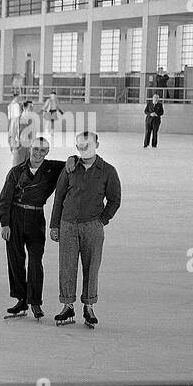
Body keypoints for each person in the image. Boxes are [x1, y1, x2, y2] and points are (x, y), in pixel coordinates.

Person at [49, 131, 120, 329]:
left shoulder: (108, 171)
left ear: (97, 144)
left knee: (91, 267)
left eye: (87, 145)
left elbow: (114, 200)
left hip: (93, 226)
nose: (83, 150)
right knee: (67, 266)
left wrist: (101, 221)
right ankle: (67, 305)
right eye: (79, 146)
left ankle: (89, 306)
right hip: (68, 224)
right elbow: (59, 197)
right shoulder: (70, 168)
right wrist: (54, 224)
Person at [0, 135, 64, 320]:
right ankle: (21, 300)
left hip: (36, 218)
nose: (38, 153)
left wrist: (74, 159)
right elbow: (4, 200)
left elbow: (71, 164)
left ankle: (35, 302)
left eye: (43, 150)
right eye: (35, 149)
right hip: (15, 217)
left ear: (47, 152)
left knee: (35, 260)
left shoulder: (52, 169)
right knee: (16, 260)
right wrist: (5, 224)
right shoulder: (16, 171)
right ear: (29, 149)